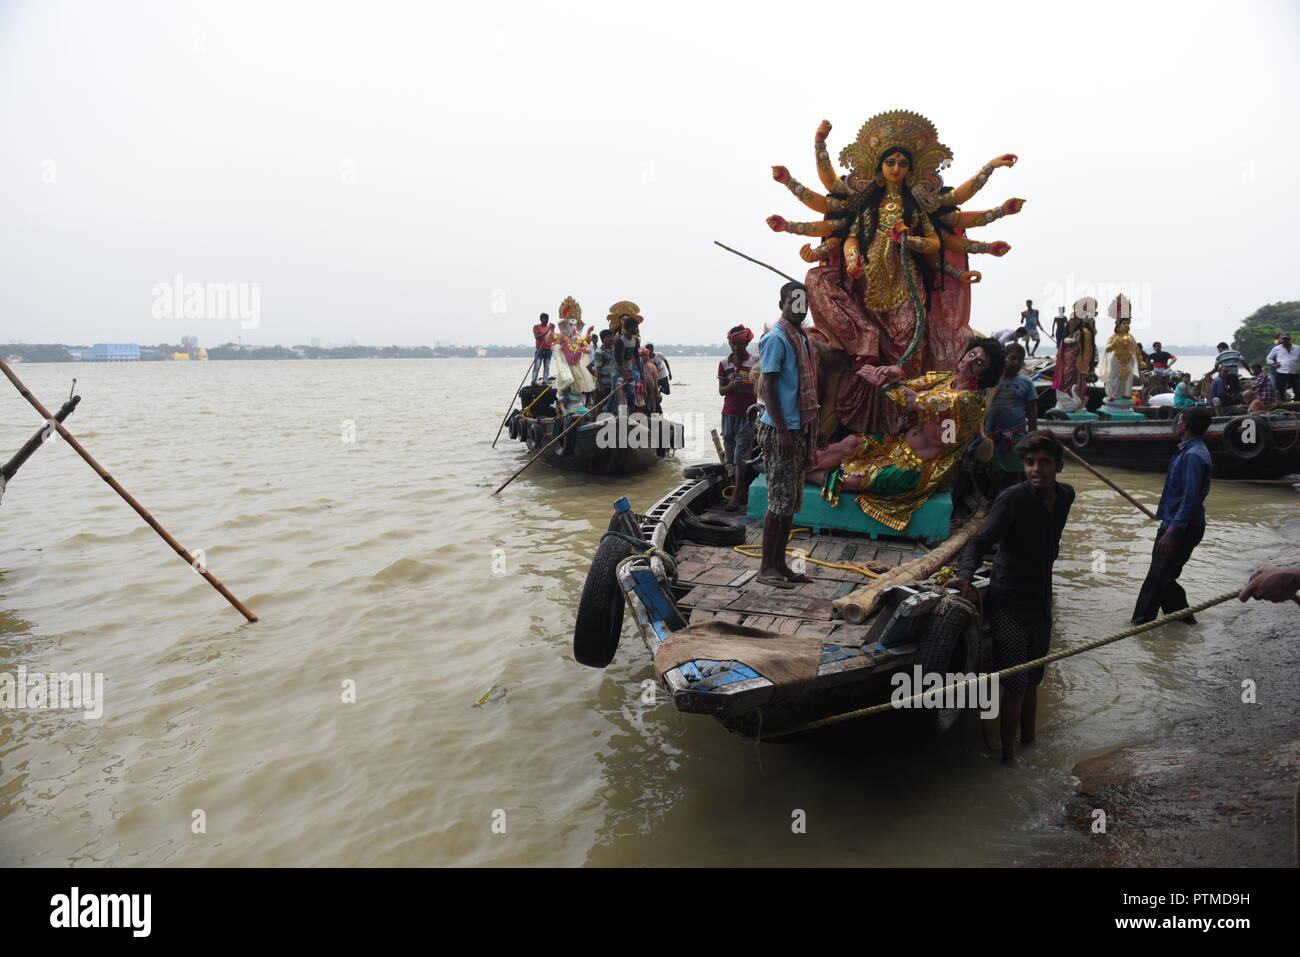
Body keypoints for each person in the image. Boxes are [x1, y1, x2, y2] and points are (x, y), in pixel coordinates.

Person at [952, 430, 1074, 764]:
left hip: (1040, 598)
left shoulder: (1066, 496)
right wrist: (964, 575)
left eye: (1045, 463)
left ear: (1059, 467)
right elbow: (978, 541)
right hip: (1008, 600)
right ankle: (1008, 759)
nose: (1037, 470)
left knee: (1035, 677)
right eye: (1030, 463)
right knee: (1016, 682)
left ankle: (1030, 744)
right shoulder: (1013, 498)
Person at [808, 338, 1005, 532]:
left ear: (985, 374)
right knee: (851, 442)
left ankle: (804, 475)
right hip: (897, 445)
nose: (970, 361)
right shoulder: (946, 378)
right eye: (972, 354)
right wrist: (894, 372)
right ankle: (801, 464)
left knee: (853, 481)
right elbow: (911, 384)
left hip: (920, 466)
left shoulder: (969, 401)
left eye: (979, 362)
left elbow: (915, 400)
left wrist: (882, 383)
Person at [756, 281, 820, 589]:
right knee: (777, 503)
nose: (799, 308)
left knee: (790, 503)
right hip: (780, 429)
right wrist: (782, 429)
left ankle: (779, 563)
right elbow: (768, 385)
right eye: (793, 302)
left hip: (797, 428)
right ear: (782, 303)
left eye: (803, 303)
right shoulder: (778, 339)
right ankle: (766, 567)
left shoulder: (802, 337)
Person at [1131, 406, 1213, 626]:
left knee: (1159, 577)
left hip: (1183, 526)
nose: (1177, 423)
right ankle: (1182, 623)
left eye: (1180, 420)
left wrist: (1173, 532)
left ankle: (1140, 624)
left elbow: (1190, 499)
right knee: (1162, 577)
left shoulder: (1194, 455)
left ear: (1184, 424)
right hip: (1176, 522)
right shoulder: (1188, 450)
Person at [985, 342, 1038, 494]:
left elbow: (1032, 412)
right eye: (1012, 358)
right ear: (1004, 359)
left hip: (1017, 436)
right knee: (994, 475)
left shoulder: (1027, 383)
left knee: (1014, 474)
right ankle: (993, 503)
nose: (1016, 362)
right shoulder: (992, 381)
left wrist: (1033, 437)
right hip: (992, 437)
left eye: (1020, 359)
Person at [719, 325, 758, 510]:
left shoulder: (755, 362)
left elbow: (762, 387)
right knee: (731, 453)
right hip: (728, 414)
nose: (736, 348)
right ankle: (739, 490)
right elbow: (721, 391)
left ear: (747, 343)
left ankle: (737, 494)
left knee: (740, 455)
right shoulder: (724, 363)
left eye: (740, 344)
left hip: (748, 415)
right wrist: (731, 386)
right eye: (733, 344)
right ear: (729, 343)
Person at [1267, 333, 1300, 401]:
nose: (1285, 341)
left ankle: (1297, 403)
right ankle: (1282, 403)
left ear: (1290, 339)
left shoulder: (1297, 348)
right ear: (1281, 340)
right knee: (1280, 390)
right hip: (1281, 372)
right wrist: (1273, 364)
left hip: (1293, 372)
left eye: (1287, 339)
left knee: (1297, 390)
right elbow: (1269, 358)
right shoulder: (1276, 348)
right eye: (1283, 339)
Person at [529, 313, 555, 384]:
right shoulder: (536, 327)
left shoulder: (549, 328)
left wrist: (552, 330)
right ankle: (533, 381)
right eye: (545, 319)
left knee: (547, 367)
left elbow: (553, 338)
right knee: (537, 366)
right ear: (541, 319)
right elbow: (537, 337)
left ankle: (545, 381)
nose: (546, 320)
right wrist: (546, 332)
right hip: (540, 350)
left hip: (548, 350)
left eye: (547, 319)